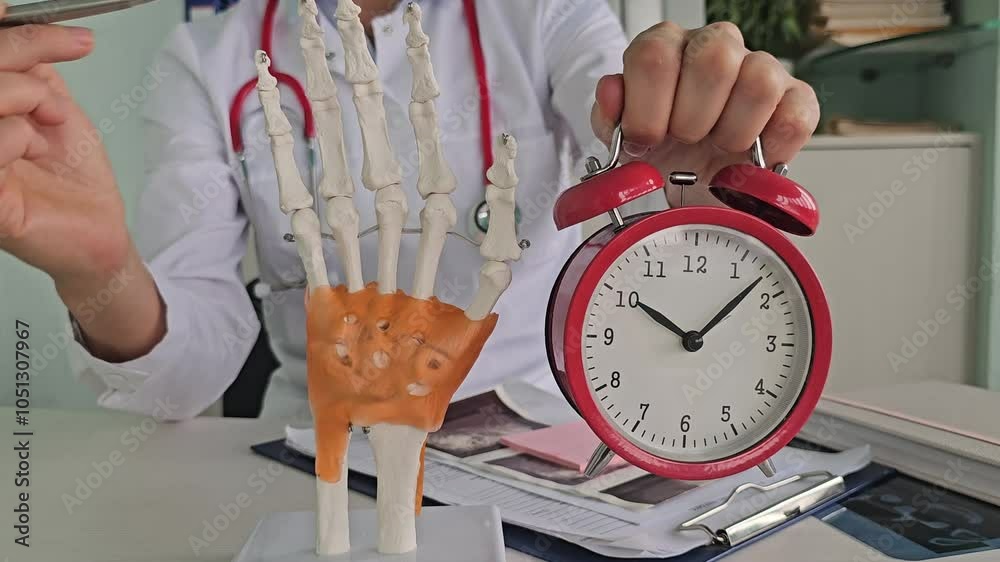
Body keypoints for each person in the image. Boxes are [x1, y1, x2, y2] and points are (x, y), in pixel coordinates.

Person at [0, 0, 820, 421]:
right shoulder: (210, 58)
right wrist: (102, 272)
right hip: (325, 450)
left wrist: (677, 120)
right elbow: (183, 382)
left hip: (551, 433)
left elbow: (623, 108)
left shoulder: (544, 13)